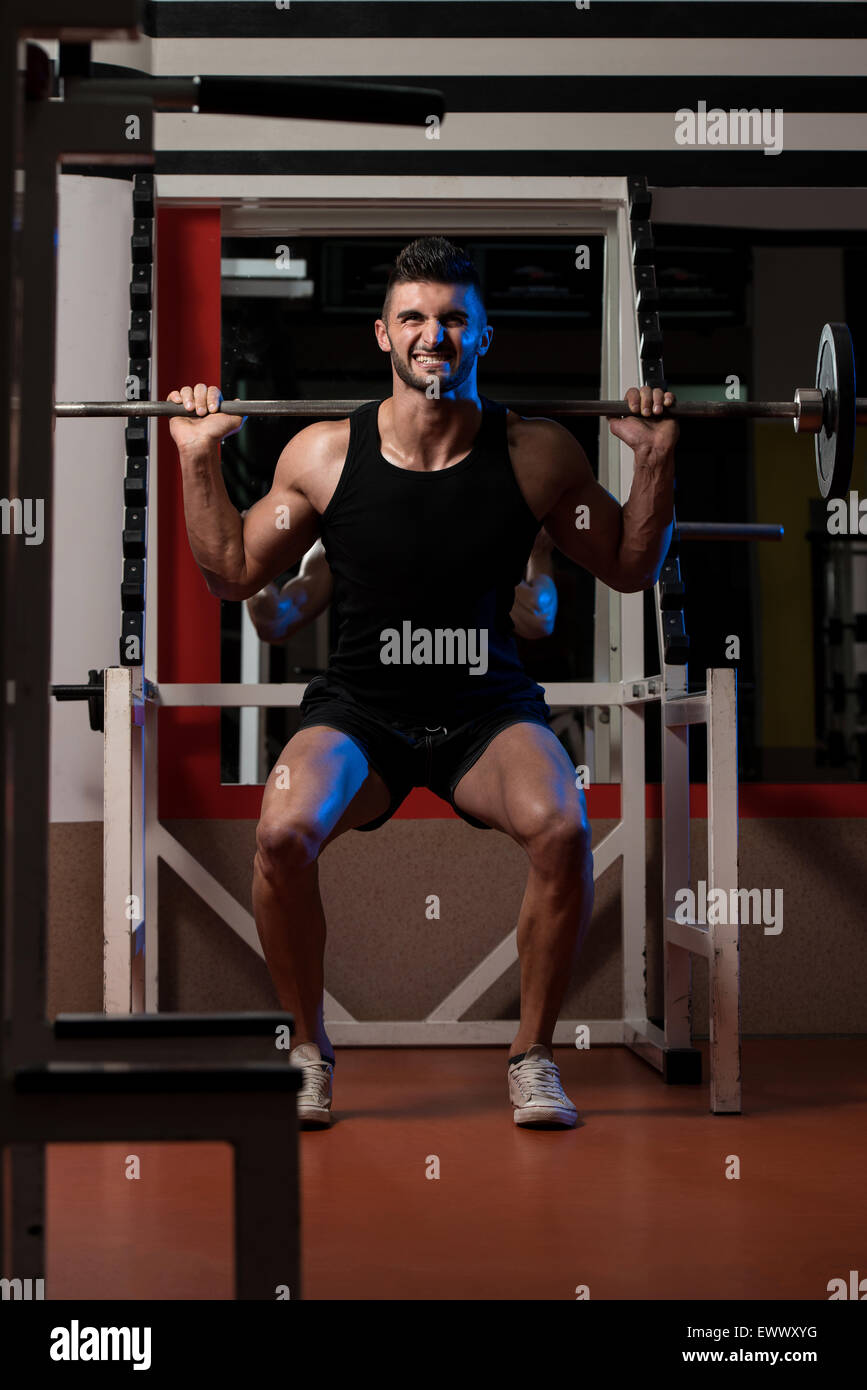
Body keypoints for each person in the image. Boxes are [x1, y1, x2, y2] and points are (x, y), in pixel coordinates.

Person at [168, 236, 677, 1131]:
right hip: (361, 712)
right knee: (283, 831)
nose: (431, 334)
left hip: (486, 709)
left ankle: (531, 1057)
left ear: (482, 338)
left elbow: (630, 566)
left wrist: (656, 460)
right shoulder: (325, 455)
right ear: (382, 335)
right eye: (413, 318)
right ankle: (306, 1051)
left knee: (561, 827)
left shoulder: (537, 456)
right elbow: (234, 573)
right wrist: (196, 456)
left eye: (451, 320)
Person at [244, 530, 559, 645]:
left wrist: (539, 554)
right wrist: (249, 557)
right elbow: (275, 620)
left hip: (465, 708)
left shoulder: (467, 537)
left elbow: (537, 617)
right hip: (373, 712)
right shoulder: (343, 540)